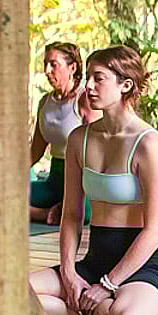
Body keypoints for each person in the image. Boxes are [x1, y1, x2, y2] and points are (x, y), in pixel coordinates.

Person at [30, 46, 158, 315]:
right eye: (89, 78)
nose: (89, 86)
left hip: (145, 265)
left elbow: (155, 230)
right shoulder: (79, 139)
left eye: (99, 79)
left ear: (125, 85)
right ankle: (111, 310)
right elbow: (71, 215)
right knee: (8, 293)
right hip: (95, 262)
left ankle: (132, 306)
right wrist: (70, 274)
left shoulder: (148, 144)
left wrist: (107, 285)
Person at [29, 41, 98, 224]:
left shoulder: (85, 100)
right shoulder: (45, 102)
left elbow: (98, 150)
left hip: (83, 180)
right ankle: (44, 214)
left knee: (83, 214)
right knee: (4, 196)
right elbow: (35, 151)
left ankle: (61, 210)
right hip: (55, 180)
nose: (47, 70)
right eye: (45, 64)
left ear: (72, 67)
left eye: (53, 64)